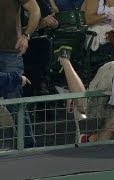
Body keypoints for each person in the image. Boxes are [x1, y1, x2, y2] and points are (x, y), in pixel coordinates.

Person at [0, 0, 41, 148]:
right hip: (9, 53)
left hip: (9, 52)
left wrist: (26, 36)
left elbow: (35, 10)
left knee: (14, 102)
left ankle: (28, 147)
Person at [22, 0, 59, 96]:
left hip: (39, 42)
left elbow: (56, 23)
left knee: (45, 43)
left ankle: (42, 85)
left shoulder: (39, 2)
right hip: (18, 44)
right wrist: (40, 24)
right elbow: (14, 32)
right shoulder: (12, 5)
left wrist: (52, 22)